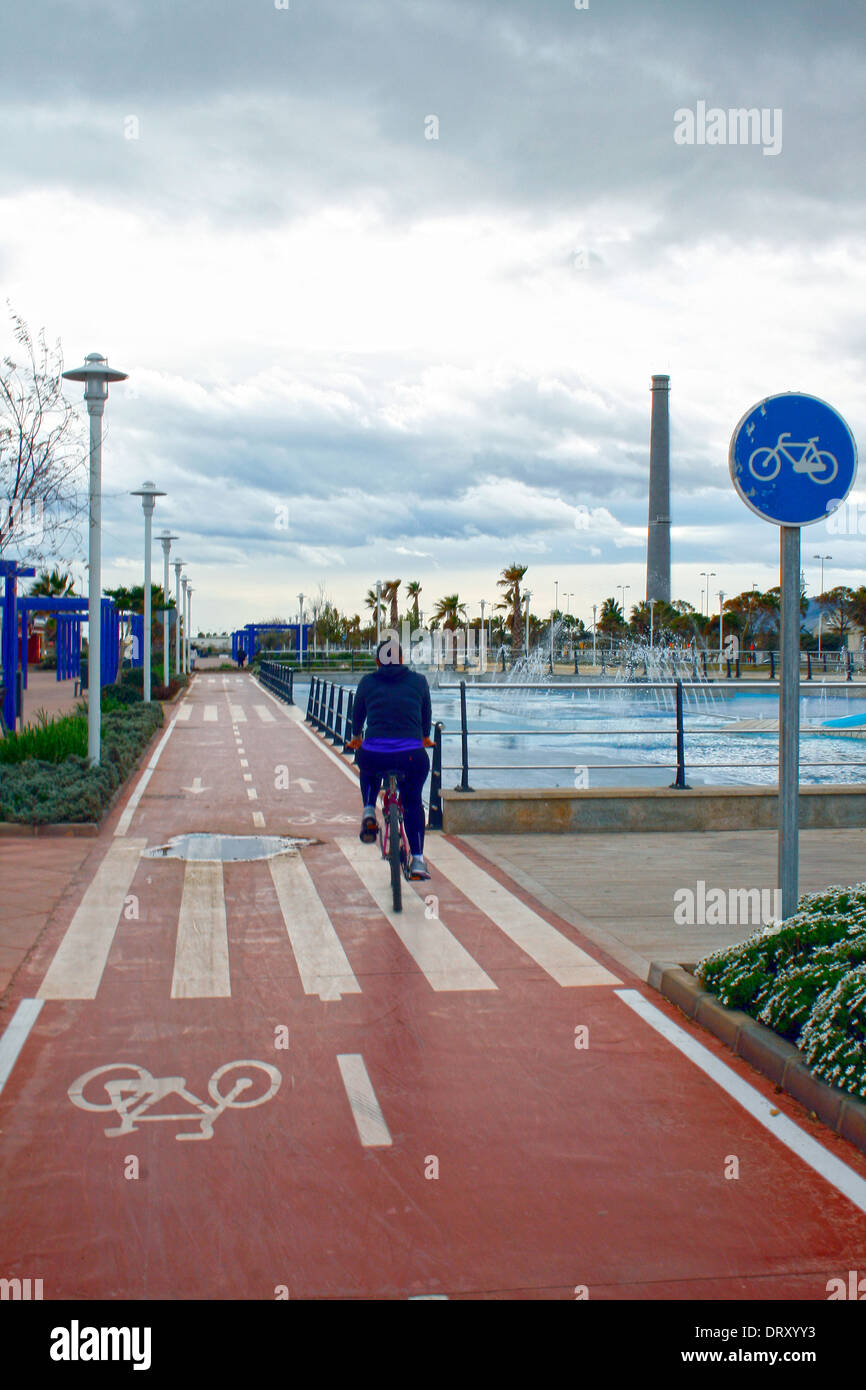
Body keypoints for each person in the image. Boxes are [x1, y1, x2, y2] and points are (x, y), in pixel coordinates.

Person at [346, 636, 434, 880]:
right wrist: (424, 737)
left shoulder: (367, 682)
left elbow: (357, 716)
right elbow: (426, 717)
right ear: (402, 659)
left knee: (367, 763)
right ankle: (417, 860)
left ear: (378, 661)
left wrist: (356, 737)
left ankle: (367, 812)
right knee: (413, 800)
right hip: (411, 757)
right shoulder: (419, 681)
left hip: (376, 754)